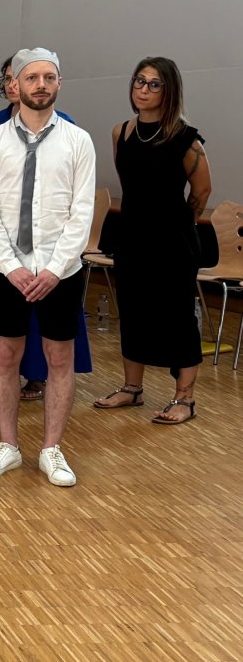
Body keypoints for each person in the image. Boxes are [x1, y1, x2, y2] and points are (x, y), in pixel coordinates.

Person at [0, 48, 95, 487]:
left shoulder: (78, 142)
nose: (40, 85)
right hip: (7, 269)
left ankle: (51, 449)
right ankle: (7, 444)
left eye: (48, 77)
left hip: (58, 271)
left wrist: (54, 268)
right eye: (31, 78)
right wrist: (11, 267)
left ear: (59, 83)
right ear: (15, 85)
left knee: (59, 357)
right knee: (5, 356)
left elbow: (82, 213)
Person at [94, 57, 211, 424]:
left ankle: (185, 398)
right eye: (139, 82)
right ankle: (133, 388)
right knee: (133, 310)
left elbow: (202, 192)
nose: (143, 89)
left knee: (176, 316)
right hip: (132, 236)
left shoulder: (186, 139)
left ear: (169, 90)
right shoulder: (121, 132)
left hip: (174, 240)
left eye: (154, 84)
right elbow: (131, 182)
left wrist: (179, 224)